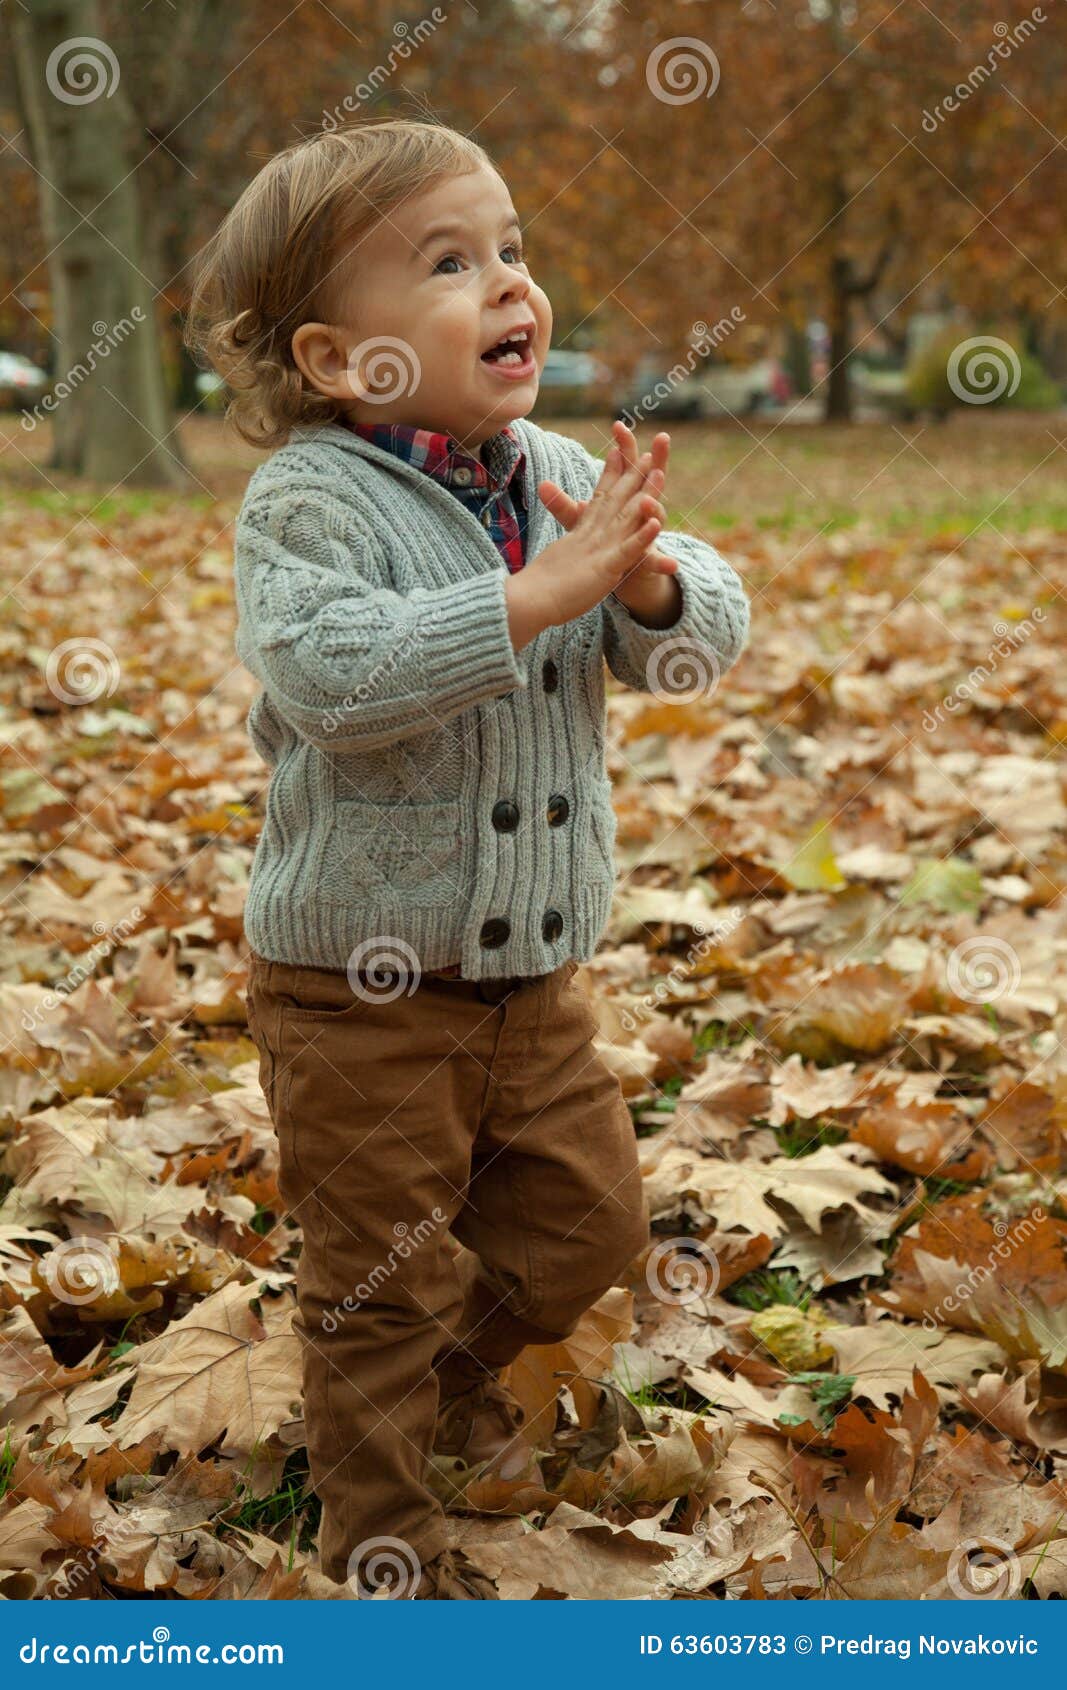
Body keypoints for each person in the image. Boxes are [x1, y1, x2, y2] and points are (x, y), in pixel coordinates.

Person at [184, 117, 749, 1600]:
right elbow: (333, 679)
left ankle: (433, 1371)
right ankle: (382, 1538)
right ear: (332, 357)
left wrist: (643, 578)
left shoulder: (555, 464)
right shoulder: (308, 503)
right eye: (447, 262)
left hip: (534, 982)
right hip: (356, 989)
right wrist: (523, 597)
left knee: (587, 1231)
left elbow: (699, 640)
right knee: (377, 1276)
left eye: (510, 248)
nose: (508, 285)